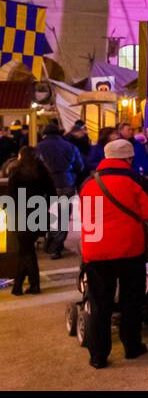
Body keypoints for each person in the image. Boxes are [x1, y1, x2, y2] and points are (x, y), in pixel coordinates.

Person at [77, 139, 148, 367]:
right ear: (129, 158)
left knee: (99, 304)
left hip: (96, 251)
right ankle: (132, 347)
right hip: (129, 249)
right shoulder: (134, 180)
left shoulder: (88, 182)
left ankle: (98, 356)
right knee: (130, 300)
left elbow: (86, 214)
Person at [4, 146, 53, 295]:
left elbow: (10, 195)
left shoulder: (15, 172)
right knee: (27, 250)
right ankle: (22, 286)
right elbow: (52, 193)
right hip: (38, 214)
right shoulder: (42, 171)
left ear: (20, 156)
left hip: (20, 215)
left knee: (26, 250)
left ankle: (27, 286)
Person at [36, 122, 84, 259]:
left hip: (47, 184)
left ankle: (52, 242)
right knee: (63, 216)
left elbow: (37, 166)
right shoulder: (69, 146)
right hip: (66, 182)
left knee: (47, 214)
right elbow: (79, 166)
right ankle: (57, 245)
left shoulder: (40, 147)